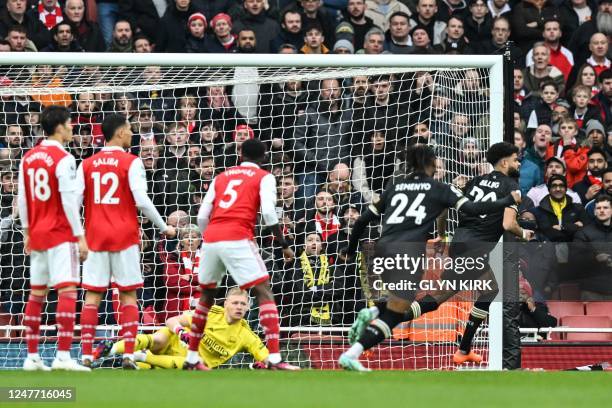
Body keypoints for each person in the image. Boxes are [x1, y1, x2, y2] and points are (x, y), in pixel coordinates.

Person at [338, 144, 521, 371]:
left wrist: (349, 249)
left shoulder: (395, 186)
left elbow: (361, 221)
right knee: (401, 310)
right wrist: (507, 201)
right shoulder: (439, 188)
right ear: (430, 164)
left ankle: (461, 348)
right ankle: (366, 328)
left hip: (382, 249)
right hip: (412, 251)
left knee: (484, 288)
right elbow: (472, 209)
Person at [184, 138, 298, 370]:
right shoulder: (264, 177)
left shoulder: (221, 176)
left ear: (241, 155)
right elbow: (268, 212)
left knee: (206, 295)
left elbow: (201, 217)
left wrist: (210, 238)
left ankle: (192, 357)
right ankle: (275, 358)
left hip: (211, 237)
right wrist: (284, 243)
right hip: (237, 235)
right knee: (264, 290)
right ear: (264, 156)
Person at [76, 114, 176, 369]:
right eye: (130, 130)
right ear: (120, 133)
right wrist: (164, 227)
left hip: (95, 237)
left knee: (92, 297)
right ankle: (129, 354)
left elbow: (74, 203)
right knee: (128, 294)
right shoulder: (131, 162)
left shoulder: (86, 164)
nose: (133, 134)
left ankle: (87, 354)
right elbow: (141, 201)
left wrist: (78, 235)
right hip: (125, 236)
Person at [17, 105, 89, 371]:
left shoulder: (28, 157)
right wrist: (80, 236)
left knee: (36, 295)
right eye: (70, 123)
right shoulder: (65, 158)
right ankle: (63, 356)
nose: (72, 127)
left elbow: (23, 198)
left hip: (37, 234)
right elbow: (70, 201)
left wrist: (26, 231)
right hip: (60, 233)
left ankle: (32, 357)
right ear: (59, 127)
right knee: (67, 290)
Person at [95, 287, 270, 369]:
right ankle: (109, 350)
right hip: (173, 340)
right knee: (156, 339)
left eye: (243, 304)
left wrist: (262, 364)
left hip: (184, 361)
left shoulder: (247, 335)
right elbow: (172, 320)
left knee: (193, 363)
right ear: (226, 304)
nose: (239, 307)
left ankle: (134, 358)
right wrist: (180, 332)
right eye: (235, 303)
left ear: (248, 308)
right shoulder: (210, 314)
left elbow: (268, 358)